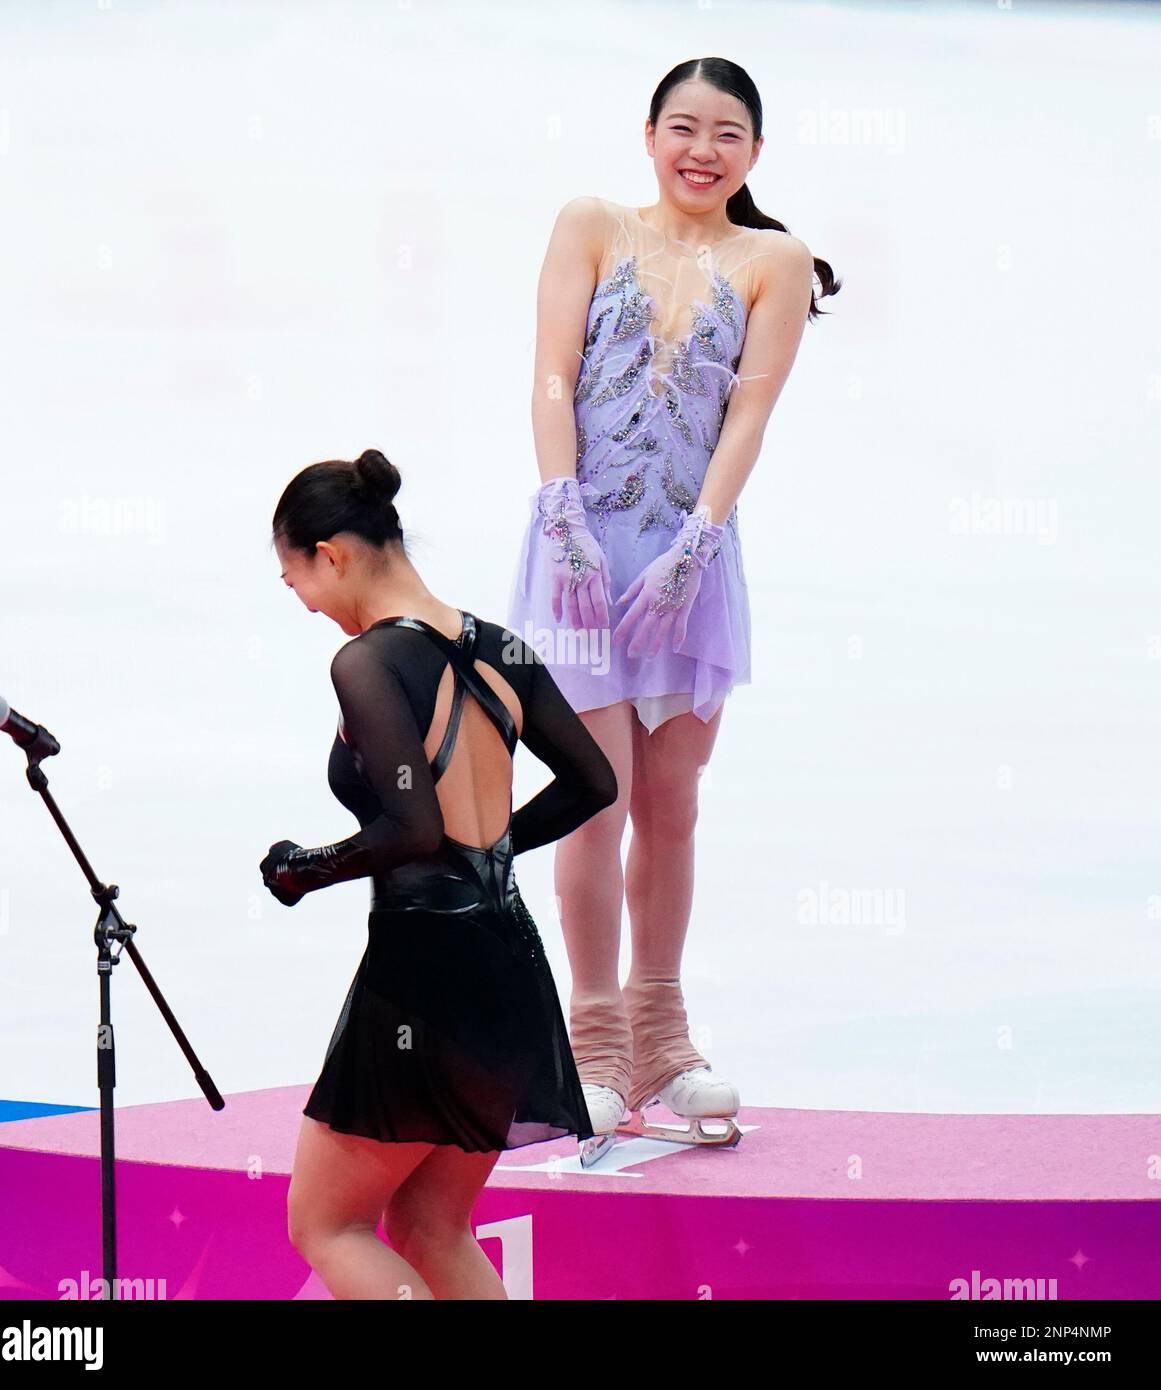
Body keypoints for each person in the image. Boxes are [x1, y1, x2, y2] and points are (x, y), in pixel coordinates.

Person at [506, 57, 840, 1163]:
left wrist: (699, 541)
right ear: (649, 132)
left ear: (754, 152)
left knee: (673, 806)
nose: (704, 149)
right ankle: (591, 1048)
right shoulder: (591, 223)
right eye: (685, 127)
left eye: (728, 133)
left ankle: (663, 1038)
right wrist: (561, 511)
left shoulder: (772, 259)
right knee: (593, 799)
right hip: (580, 557)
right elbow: (554, 376)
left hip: (691, 560)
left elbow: (751, 413)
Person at [261, 449, 618, 1299]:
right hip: (509, 968)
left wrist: (305, 870)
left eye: (295, 579)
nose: (305, 603)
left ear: (332, 554)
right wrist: (489, 851)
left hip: (422, 980)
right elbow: (593, 783)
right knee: (430, 1226)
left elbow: (411, 827)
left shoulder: (369, 663)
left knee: (327, 1224)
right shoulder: (498, 646)